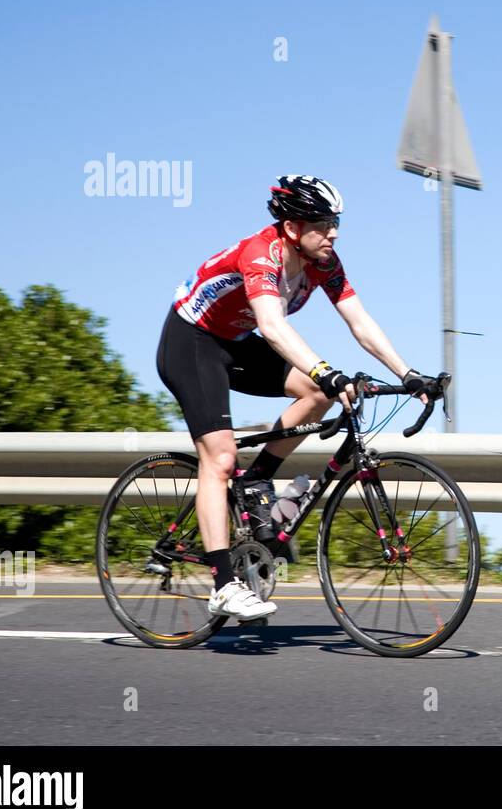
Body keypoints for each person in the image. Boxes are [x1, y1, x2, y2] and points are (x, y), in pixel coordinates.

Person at [157, 175, 436, 620]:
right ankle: (224, 585)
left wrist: (408, 373)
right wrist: (326, 370)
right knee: (221, 457)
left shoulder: (323, 261)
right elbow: (272, 325)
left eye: (336, 221)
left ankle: (256, 482)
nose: (334, 232)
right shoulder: (261, 254)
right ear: (292, 227)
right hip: (192, 342)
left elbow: (359, 321)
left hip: (237, 342)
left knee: (316, 394)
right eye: (323, 223)